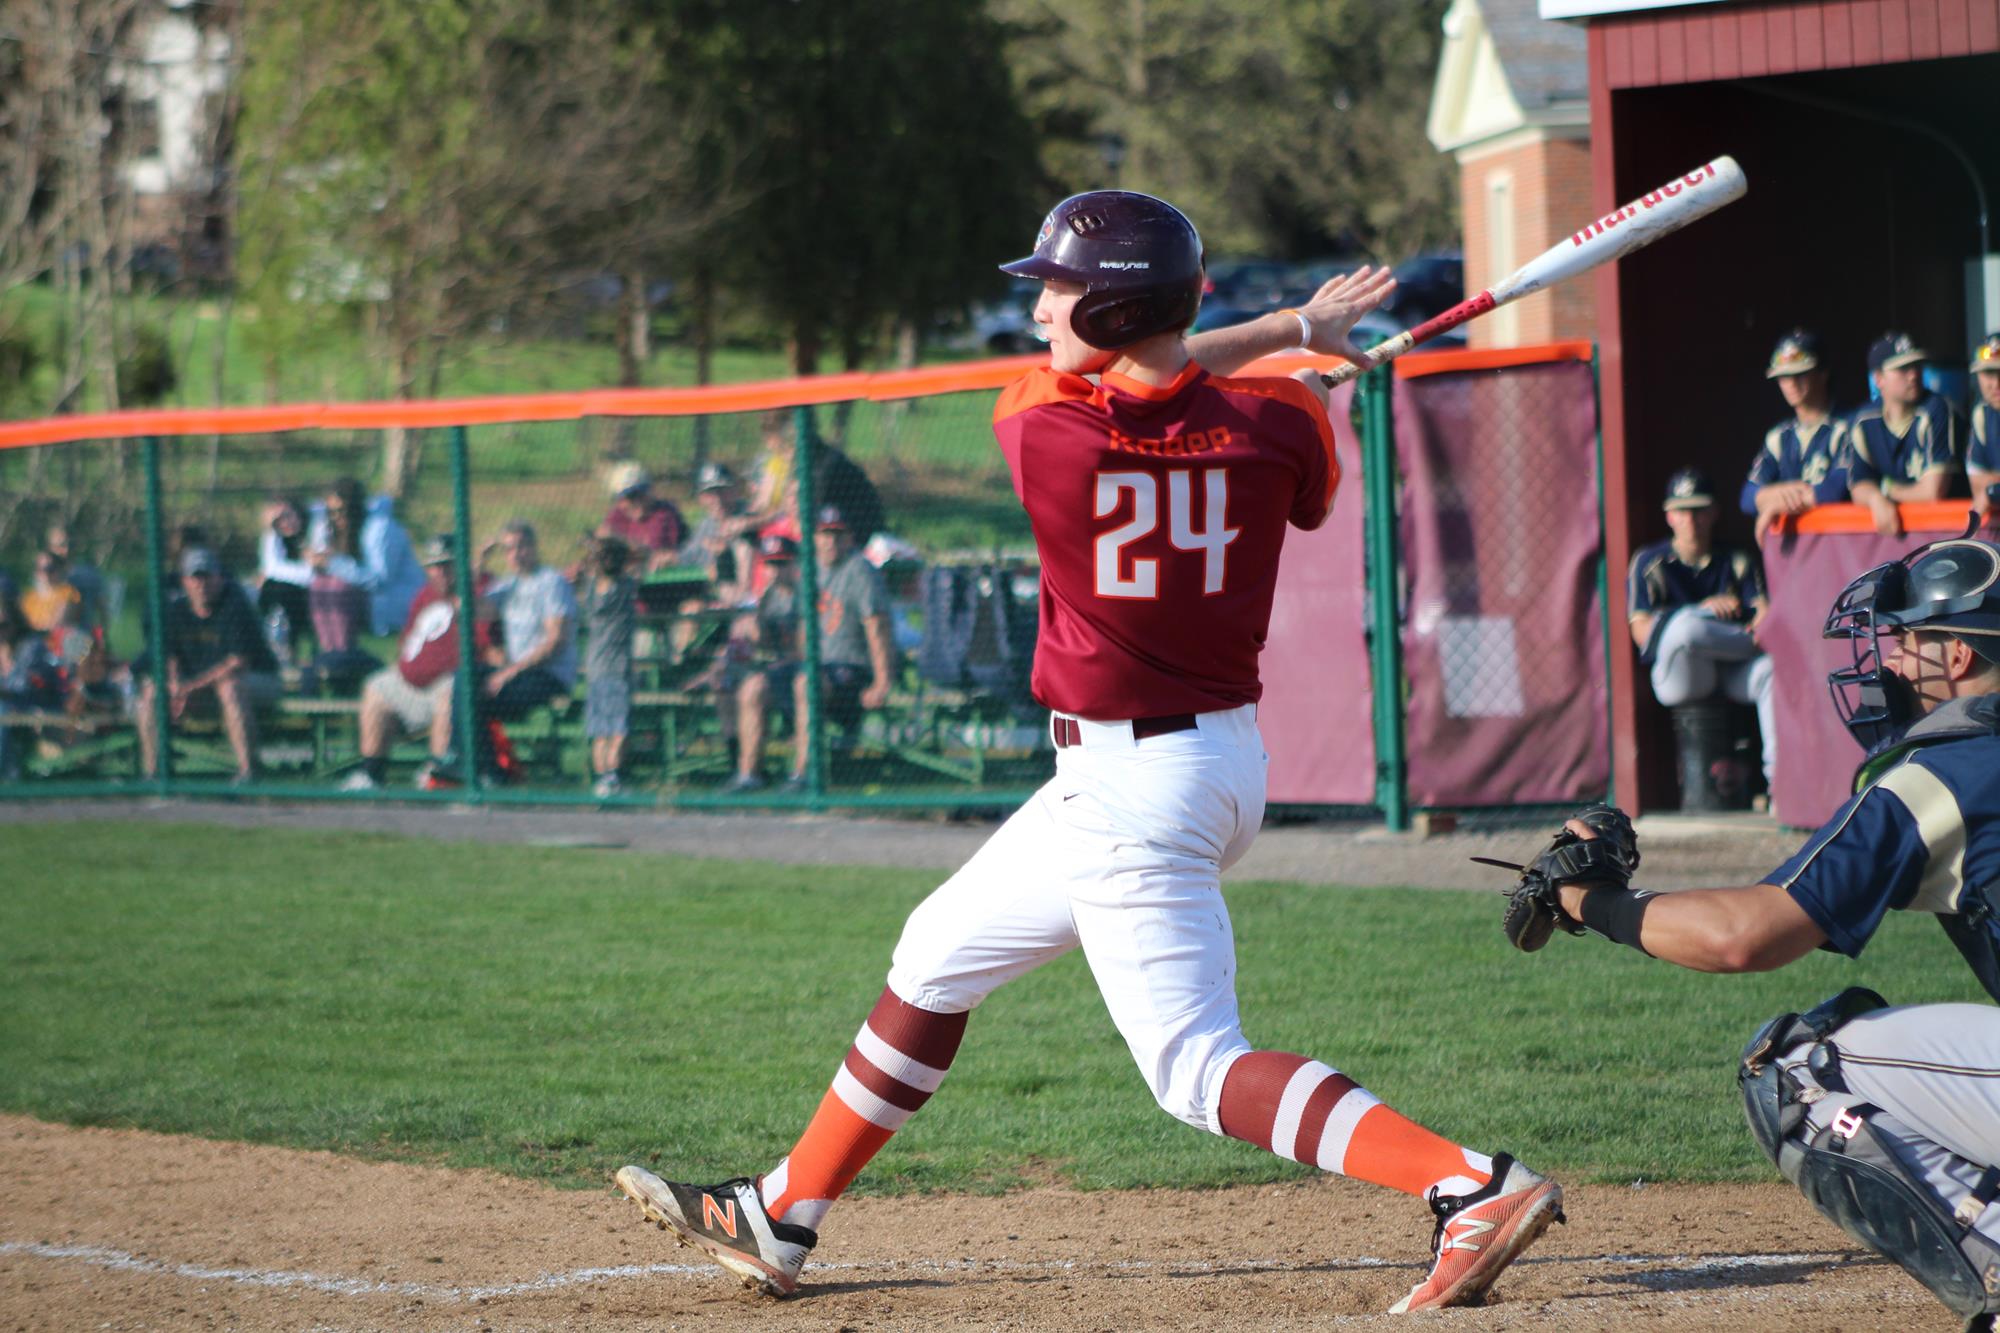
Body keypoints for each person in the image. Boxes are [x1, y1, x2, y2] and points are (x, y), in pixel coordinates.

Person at [616, 190, 1564, 1314]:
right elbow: (1229, 428)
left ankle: (1466, 1183)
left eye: (1061, 292)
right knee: (932, 955)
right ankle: (783, 1211)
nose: (1041, 312)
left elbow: (1159, 386)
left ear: (1115, 308)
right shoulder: (1282, 426)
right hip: (1192, 766)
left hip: (1135, 788)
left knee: (1194, 1068)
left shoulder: (1043, 426)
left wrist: (1275, 341)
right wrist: (1295, 363)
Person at [1518, 529, 2000, 1328]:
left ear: (1958, 658)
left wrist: (1591, 901)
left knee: (1797, 1069)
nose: (1890, 662)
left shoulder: (1944, 775)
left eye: (1909, 640)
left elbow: (1747, 933)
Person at [721, 506, 895, 794]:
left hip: (850, 667)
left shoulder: (859, 570)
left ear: (850, 537)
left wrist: (882, 681)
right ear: (814, 537)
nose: (830, 541)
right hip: (813, 666)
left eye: (837, 534)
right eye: (824, 534)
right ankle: (749, 773)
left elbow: (878, 628)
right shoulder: (811, 571)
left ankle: (803, 773)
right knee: (754, 686)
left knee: (805, 683)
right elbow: (802, 633)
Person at [1628, 466, 1775, 793]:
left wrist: (1748, 629)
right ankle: (1730, 635)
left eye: (1698, 510)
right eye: (1682, 511)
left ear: (1713, 513)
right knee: (1686, 627)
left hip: (1732, 668)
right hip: (1681, 675)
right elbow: (1641, 632)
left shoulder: (1735, 559)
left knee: (1769, 669)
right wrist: (1703, 611)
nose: (1691, 520)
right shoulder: (1650, 561)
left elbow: (1764, 615)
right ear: (1669, 517)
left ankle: (1777, 784)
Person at [337, 535, 487, 792]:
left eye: (446, 565)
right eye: (433, 566)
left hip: (448, 684)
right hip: (412, 683)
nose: (438, 572)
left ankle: (437, 771)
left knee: (451, 690)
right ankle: (371, 773)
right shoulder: (425, 595)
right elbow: (407, 642)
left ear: (461, 564)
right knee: (377, 686)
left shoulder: (479, 591)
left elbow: (484, 646)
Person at [435, 521, 576, 785]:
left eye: (522, 546)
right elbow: (463, 609)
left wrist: (507, 673)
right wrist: (478, 562)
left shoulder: (551, 582)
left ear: (534, 547)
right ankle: (477, 767)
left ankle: (481, 768)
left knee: (474, 697)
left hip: (547, 675)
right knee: (465, 678)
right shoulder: (508, 586)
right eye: (509, 549)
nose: (516, 554)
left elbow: (555, 641)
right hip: (517, 675)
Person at [134, 546, 280, 784]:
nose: (201, 584)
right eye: (195, 577)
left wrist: (190, 688)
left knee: (229, 687)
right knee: (151, 692)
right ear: (184, 581)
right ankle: (153, 774)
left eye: (207, 576)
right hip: (200, 686)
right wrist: (174, 686)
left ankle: (248, 772)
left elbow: (237, 663)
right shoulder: (176, 611)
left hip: (258, 681)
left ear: (219, 578)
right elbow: (170, 656)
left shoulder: (235, 606)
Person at [1847, 332, 1967, 536]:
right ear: (1878, 378)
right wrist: (1876, 500)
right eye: (1902, 368)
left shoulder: (1937, 409)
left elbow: (1932, 492)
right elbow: (1858, 487)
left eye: (1917, 366)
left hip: (1949, 534)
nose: (1913, 374)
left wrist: (1885, 490)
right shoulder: (1864, 420)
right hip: (1905, 536)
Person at [1740, 330, 1850, 543]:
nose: (1791, 383)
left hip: (1839, 547)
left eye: (1800, 374)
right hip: (1795, 553)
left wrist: (1776, 504)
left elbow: (1836, 489)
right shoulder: (1779, 436)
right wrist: (1783, 492)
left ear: (1822, 373)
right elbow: (1747, 497)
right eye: (1783, 377)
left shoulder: (1848, 426)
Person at [307, 476, 426, 640]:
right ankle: (330, 652)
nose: (336, 518)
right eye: (331, 512)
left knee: (338, 588)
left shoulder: (381, 529)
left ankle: (344, 652)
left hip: (396, 601)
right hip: (369, 598)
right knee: (320, 586)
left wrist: (333, 563)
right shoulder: (335, 528)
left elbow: (379, 580)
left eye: (342, 511)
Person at [576, 534, 637, 797]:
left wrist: (592, 547)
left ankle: (602, 779)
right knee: (616, 730)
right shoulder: (623, 587)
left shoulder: (590, 589)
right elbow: (633, 559)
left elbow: (599, 564)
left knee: (601, 730)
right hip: (615, 668)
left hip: (595, 669)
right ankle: (611, 777)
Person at [255, 496, 315, 664]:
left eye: (288, 516)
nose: (284, 523)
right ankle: (279, 648)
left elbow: (312, 575)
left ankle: (284, 649)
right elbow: (271, 566)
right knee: (274, 588)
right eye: (277, 521)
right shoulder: (274, 539)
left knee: (275, 587)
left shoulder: (313, 531)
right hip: (285, 594)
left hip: (311, 593)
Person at [599, 461, 687, 573]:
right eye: (629, 498)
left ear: (649, 493)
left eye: (639, 495)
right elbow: (602, 535)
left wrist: (617, 539)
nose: (635, 502)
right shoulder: (619, 513)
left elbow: (653, 554)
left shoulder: (664, 514)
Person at [42, 524, 106, 626]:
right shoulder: (43, 576)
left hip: (78, 634)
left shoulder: (87, 576)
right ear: (49, 548)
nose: (66, 550)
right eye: (59, 546)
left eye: (69, 545)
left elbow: (102, 609)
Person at [1970, 333, 2000, 520]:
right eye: (1989, 373)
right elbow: (1977, 486)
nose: (1996, 384)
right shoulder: (1982, 414)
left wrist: (1993, 488)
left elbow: (1987, 491)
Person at [19, 548, 83, 633]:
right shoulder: (28, 598)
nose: (46, 573)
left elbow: (59, 624)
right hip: (31, 640)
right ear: (36, 572)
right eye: (41, 569)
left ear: (59, 570)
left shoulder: (69, 593)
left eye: (50, 569)